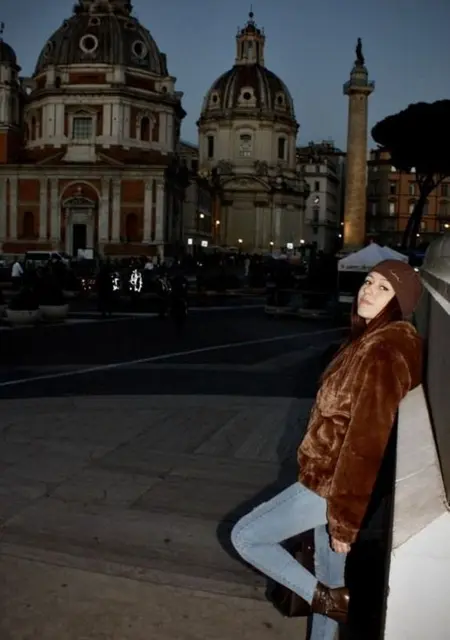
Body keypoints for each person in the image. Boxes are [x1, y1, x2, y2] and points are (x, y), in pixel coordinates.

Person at [231, 260, 423, 639]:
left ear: (399, 302)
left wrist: (345, 520)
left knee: (247, 537)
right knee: (330, 575)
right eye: (368, 281)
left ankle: (330, 600)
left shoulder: (383, 351)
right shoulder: (372, 341)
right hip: (338, 484)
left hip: (331, 486)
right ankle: (329, 605)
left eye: (383, 288)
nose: (368, 291)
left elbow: (367, 441)